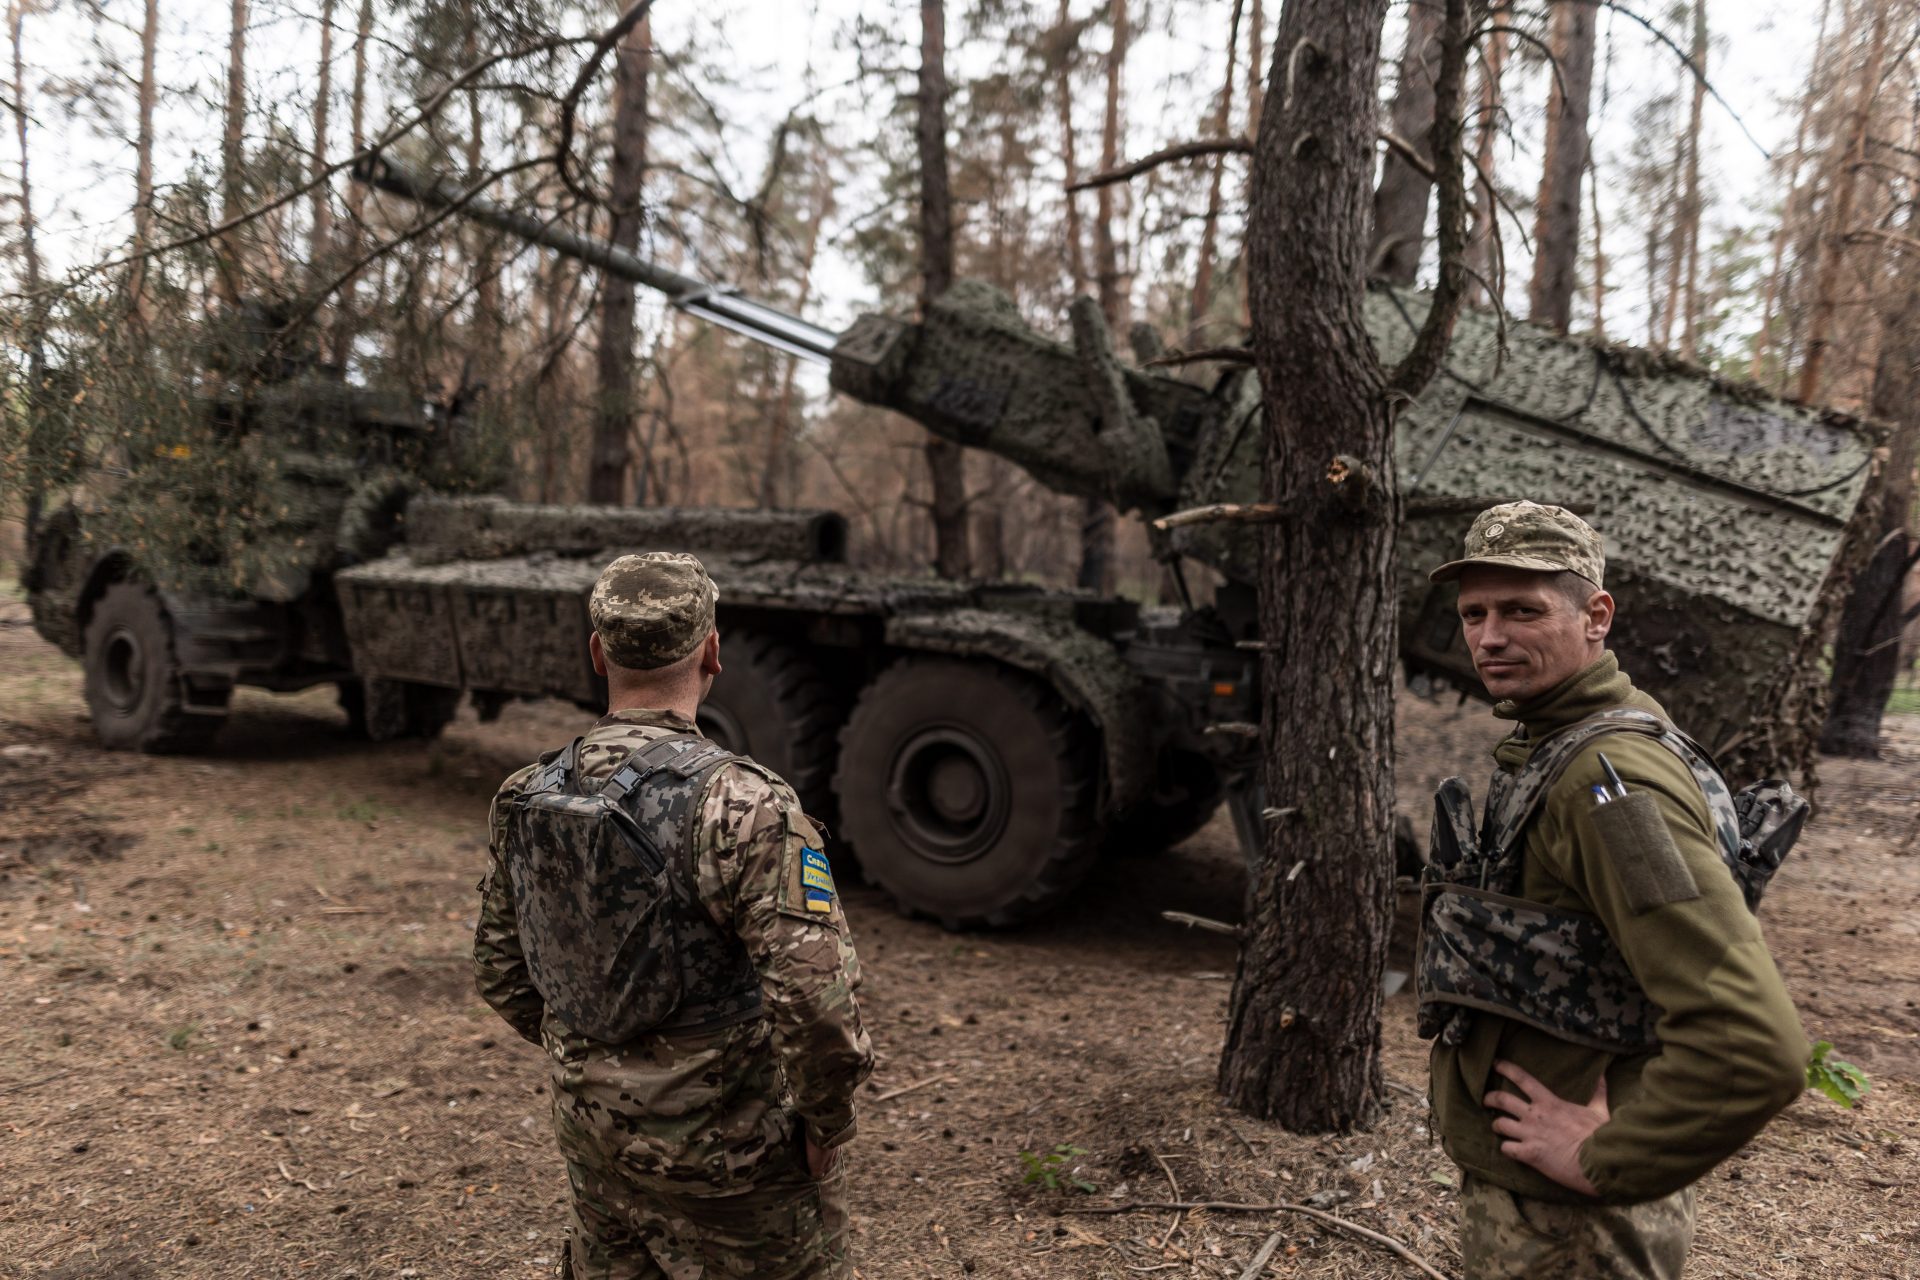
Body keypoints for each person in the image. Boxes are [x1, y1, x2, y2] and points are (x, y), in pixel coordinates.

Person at [1416, 501, 1807, 1279]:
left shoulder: (1607, 782)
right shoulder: (1564, 739)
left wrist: (1607, 1159)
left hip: (1569, 1232)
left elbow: (1756, 1045)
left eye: (1523, 611)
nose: (1490, 637)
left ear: (1596, 616)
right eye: (1475, 613)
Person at [473, 551, 873, 1280]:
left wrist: (599, 1064)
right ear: (713, 651)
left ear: (597, 652)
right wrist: (827, 1120)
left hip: (594, 1139)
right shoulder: (747, 805)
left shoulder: (524, 795)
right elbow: (817, 1003)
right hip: (735, 1162)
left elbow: (502, 972)